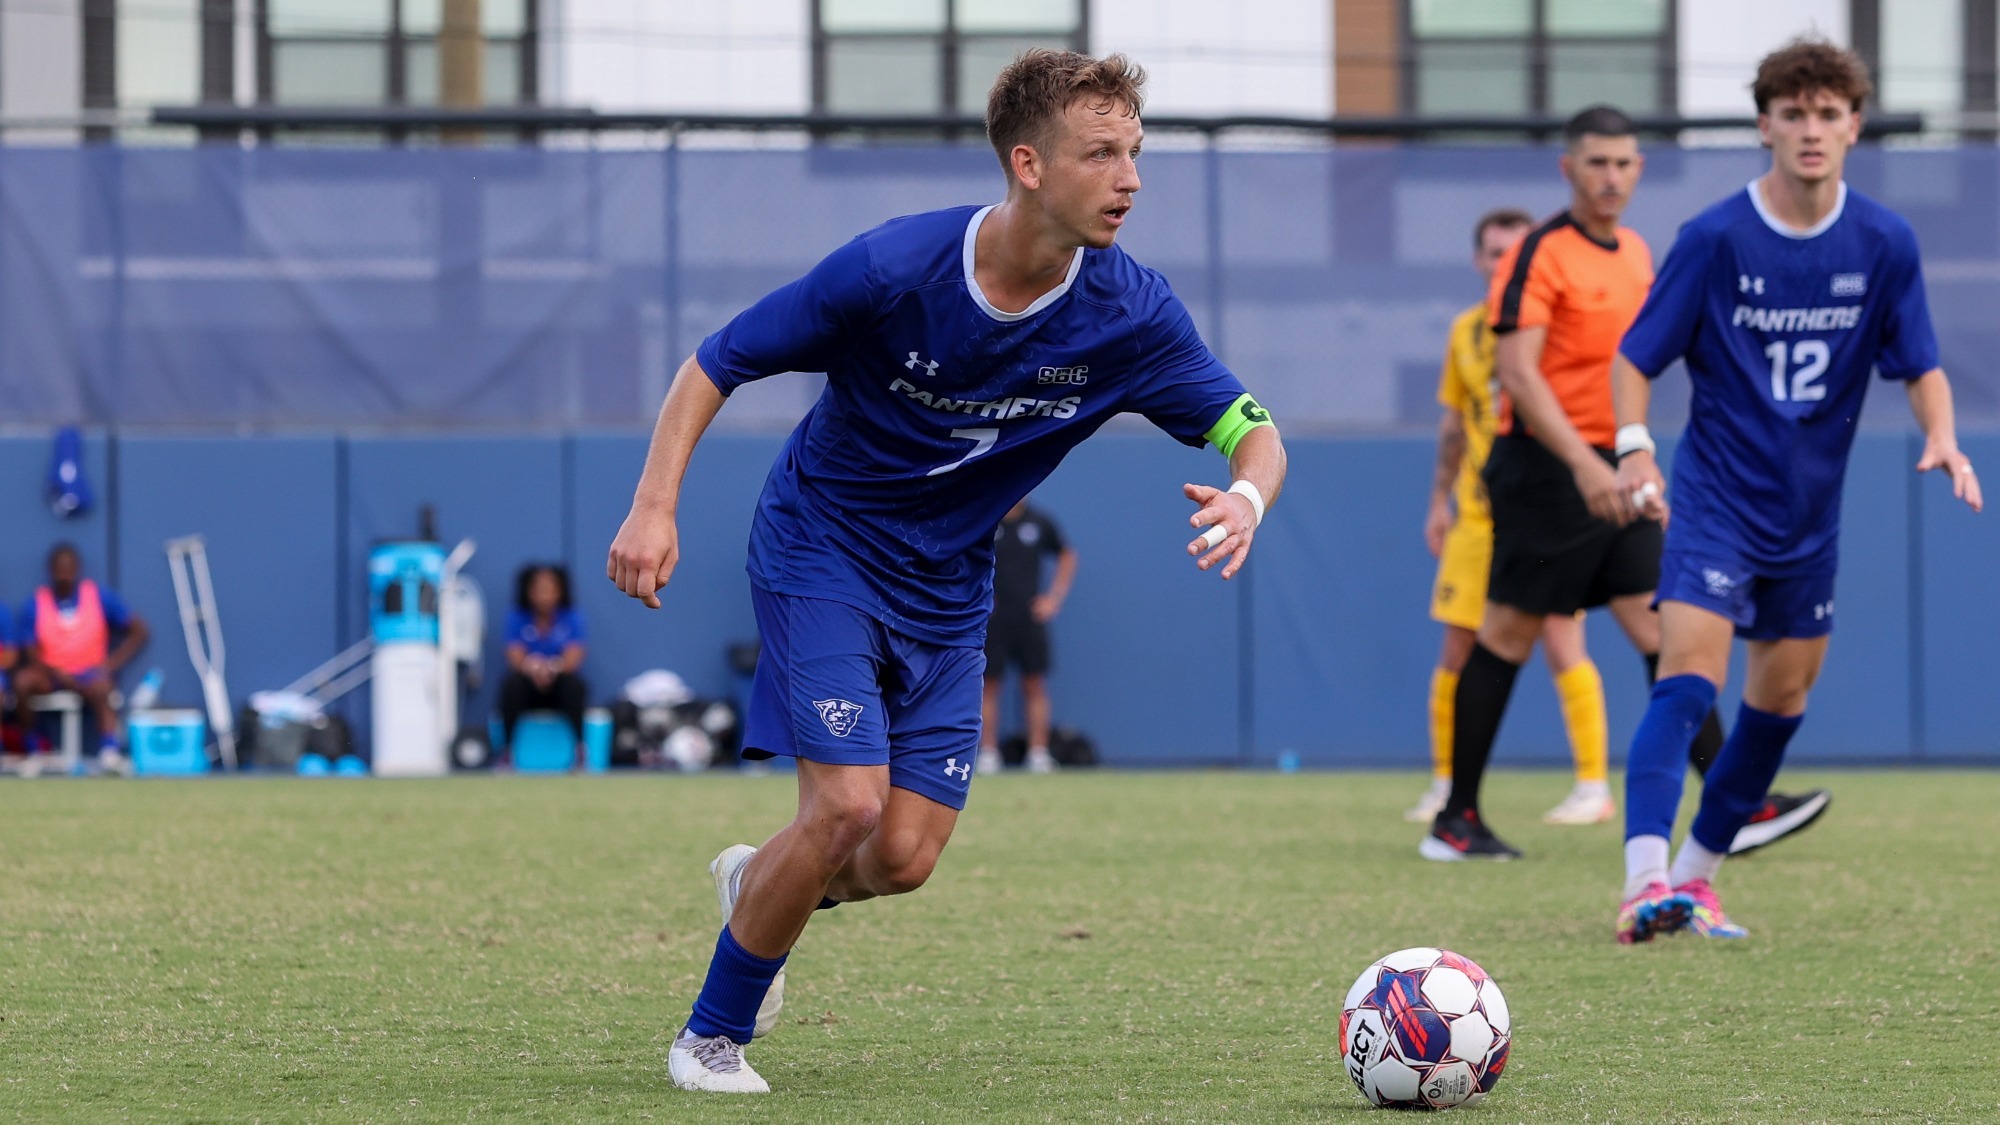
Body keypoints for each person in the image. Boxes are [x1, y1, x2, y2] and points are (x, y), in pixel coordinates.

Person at [607, 49, 1286, 1094]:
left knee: (902, 859)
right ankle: (709, 1038)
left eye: (1134, 153)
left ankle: (758, 883)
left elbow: (1254, 433)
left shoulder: (1132, 314)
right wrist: (654, 507)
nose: (1130, 178)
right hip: (821, 549)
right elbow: (717, 361)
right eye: (1100, 153)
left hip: (948, 589)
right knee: (844, 811)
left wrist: (1245, 495)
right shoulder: (892, 270)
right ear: (1027, 163)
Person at [1609, 40, 1980, 942]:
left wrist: (1942, 431)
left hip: (1809, 519)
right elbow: (1635, 356)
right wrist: (1633, 450)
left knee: (1780, 707)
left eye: (1828, 113)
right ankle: (1641, 880)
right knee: (1687, 681)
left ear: (1854, 126)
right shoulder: (1715, 237)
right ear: (1765, 125)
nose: (1811, 130)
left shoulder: (1885, 240)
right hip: (1714, 503)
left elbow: (1920, 361)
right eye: (1793, 112)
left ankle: (1694, 882)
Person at [1410, 206, 1620, 829]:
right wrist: (1438, 501)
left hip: (1542, 510)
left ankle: (1592, 785)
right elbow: (1455, 422)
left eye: (1514, 252)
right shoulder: (1466, 332)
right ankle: (1449, 784)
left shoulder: (1554, 328)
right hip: (1478, 516)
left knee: (1562, 639)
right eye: (1493, 253)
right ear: (1479, 261)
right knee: (1458, 647)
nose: (1503, 263)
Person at [13, 542, 150, 775]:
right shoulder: (35, 603)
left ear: (77, 569)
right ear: (51, 570)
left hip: (89, 672)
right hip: (51, 674)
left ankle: (109, 753)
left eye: (69, 568)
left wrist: (110, 664)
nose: (64, 574)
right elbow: (29, 650)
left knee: (103, 685)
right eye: (59, 569)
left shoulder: (98, 595)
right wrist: (55, 671)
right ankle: (33, 750)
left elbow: (139, 630)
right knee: (22, 682)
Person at [978, 498, 1078, 775]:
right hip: (992, 619)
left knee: (1034, 685)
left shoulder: (1039, 521)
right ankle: (988, 754)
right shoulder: (988, 517)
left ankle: (1038, 753)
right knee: (988, 686)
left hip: (1029, 618)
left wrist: (1053, 598)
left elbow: (1067, 555)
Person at [498, 564, 588, 768]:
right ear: (528, 591)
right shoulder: (516, 617)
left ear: (560, 591)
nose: (544, 595)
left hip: (558, 688)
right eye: (538, 589)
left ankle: (580, 752)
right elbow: (514, 656)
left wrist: (553, 667)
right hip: (529, 689)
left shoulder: (572, 617)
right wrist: (532, 666)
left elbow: (573, 657)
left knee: (574, 685)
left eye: (550, 588)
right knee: (511, 685)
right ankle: (507, 753)